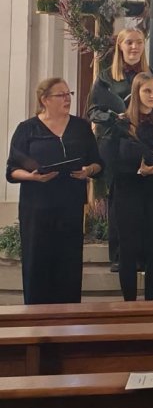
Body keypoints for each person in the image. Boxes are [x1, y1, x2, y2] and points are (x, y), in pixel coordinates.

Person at [6, 78, 102, 304]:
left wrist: (89, 170)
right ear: (44, 100)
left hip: (69, 206)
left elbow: (98, 164)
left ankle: (68, 321)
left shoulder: (81, 127)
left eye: (69, 93)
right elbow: (11, 170)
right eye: (61, 95)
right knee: (37, 263)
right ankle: (36, 320)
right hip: (37, 207)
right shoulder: (27, 128)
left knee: (67, 264)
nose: (67, 99)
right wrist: (31, 176)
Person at [90, 28, 153, 273]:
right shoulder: (106, 77)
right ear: (120, 47)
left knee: (146, 202)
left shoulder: (152, 74)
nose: (135, 47)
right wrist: (116, 116)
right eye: (130, 43)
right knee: (120, 203)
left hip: (147, 143)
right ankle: (121, 255)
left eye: (139, 43)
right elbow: (93, 111)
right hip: (117, 146)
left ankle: (144, 253)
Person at [104, 73, 153, 301]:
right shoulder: (122, 124)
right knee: (128, 250)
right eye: (147, 91)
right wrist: (137, 169)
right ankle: (130, 304)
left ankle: (151, 302)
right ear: (136, 93)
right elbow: (110, 159)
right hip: (128, 190)